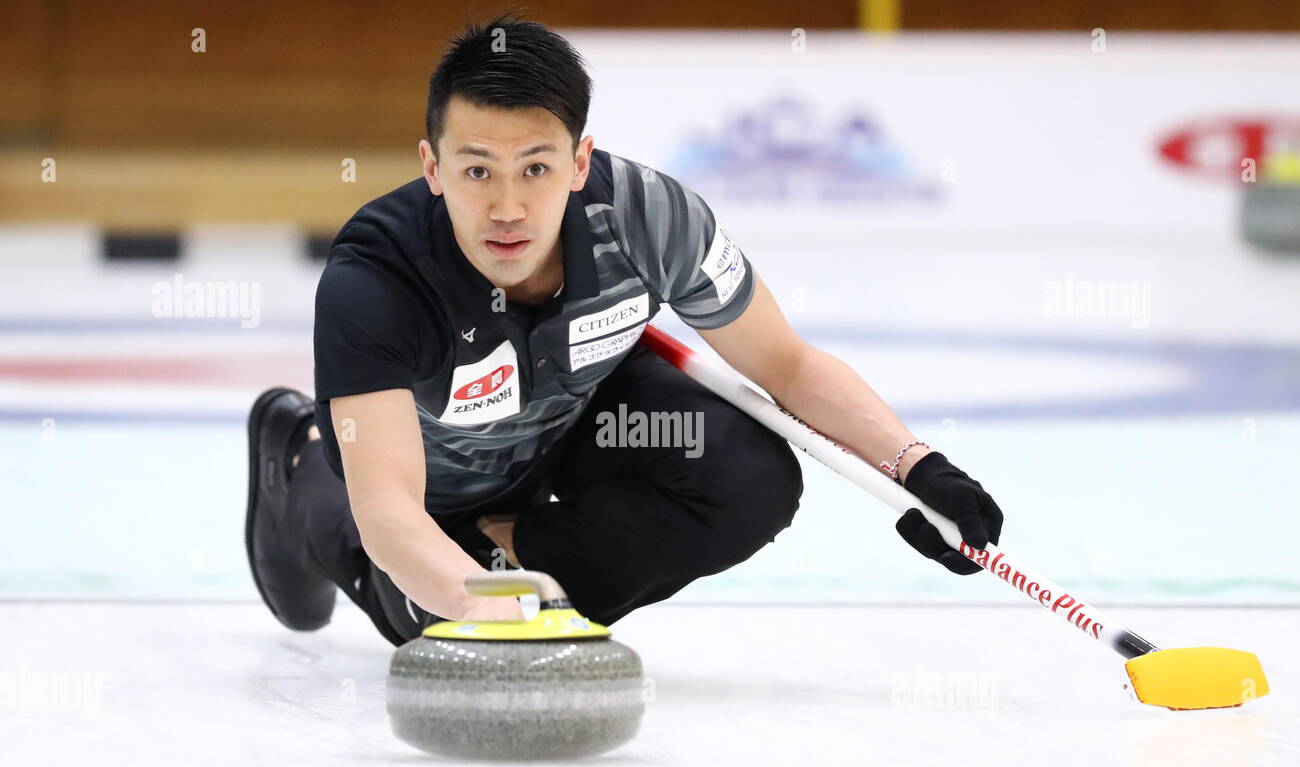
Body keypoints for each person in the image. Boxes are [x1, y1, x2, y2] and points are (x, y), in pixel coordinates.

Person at [245, 14, 1004, 648]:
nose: (507, 207)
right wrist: (483, 607)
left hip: (576, 432)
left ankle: (514, 557)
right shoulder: (376, 282)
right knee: (433, 623)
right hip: (431, 491)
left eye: (535, 169)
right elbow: (389, 512)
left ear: (581, 161)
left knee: (749, 479)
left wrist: (918, 468)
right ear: (432, 167)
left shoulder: (650, 219)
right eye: (478, 171)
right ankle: (298, 474)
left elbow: (788, 366)